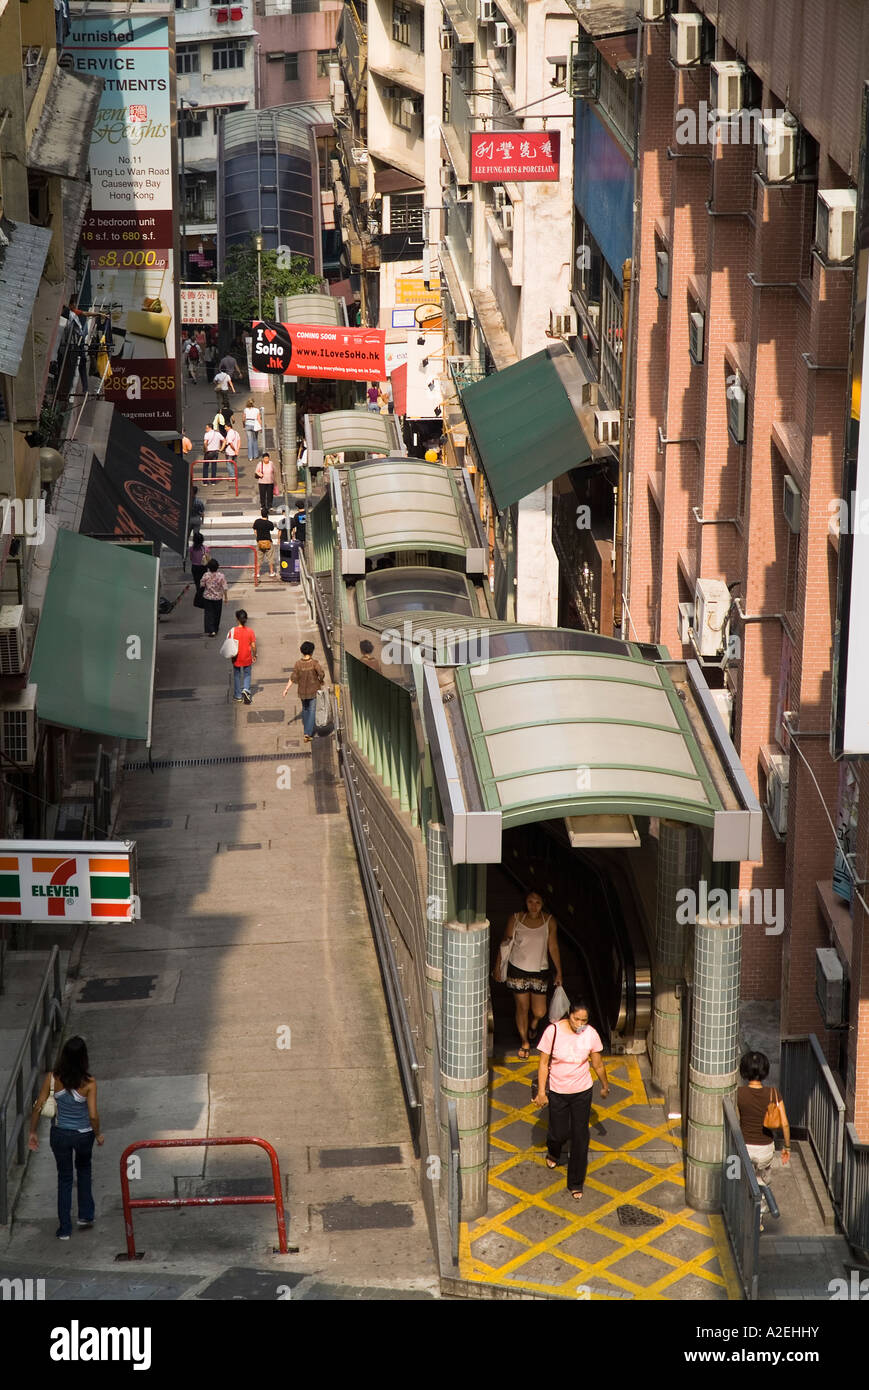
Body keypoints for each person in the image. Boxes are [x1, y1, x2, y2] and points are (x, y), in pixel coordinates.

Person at [28, 1036, 104, 1239]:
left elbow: (38, 1106)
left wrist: (33, 1132)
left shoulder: (53, 1078)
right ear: (84, 1058)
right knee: (84, 1170)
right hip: (83, 1135)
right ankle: (85, 1215)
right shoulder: (89, 1083)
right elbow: (93, 1115)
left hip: (60, 1134)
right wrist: (98, 1135)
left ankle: (64, 1229)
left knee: (64, 1178)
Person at [534, 1000, 608, 1199]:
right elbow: (543, 1064)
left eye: (584, 1020)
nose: (580, 1024)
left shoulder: (591, 1034)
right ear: (569, 1015)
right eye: (577, 1019)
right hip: (558, 1091)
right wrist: (542, 1092)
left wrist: (604, 1085)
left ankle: (576, 1182)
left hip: (582, 1092)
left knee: (580, 1137)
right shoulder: (553, 1031)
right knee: (558, 1133)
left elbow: (598, 1064)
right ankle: (553, 1151)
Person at [495, 891, 563, 1058]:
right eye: (530, 901)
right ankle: (524, 1041)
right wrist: (498, 966)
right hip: (517, 969)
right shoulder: (516, 918)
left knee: (540, 1011)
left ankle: (534, 1024)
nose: (533, 905)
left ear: (543, 903)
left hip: (540, 970)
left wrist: (559, 971)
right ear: (525, 902)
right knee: (522, 1007)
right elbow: (505, 943)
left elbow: (553, 947)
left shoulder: (549, 921)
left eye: (537, 902)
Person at [736, 1051, 790, 1230]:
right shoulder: (773, 1093)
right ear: (765, 1071)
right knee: (763, 1180)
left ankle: (742, 1215)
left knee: (739, 1179)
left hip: (744, 1150)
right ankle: (758, 1217)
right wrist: (787, 1148)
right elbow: (785, 1124)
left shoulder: (739, 1093)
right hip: (765, 1150)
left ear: (744, 1071)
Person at [283, 641, 325, 743]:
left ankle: (306, 730)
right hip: (313, 691)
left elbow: (292, 678)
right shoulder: (315, 663)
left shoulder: (298, 664)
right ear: (312, 652)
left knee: (305, 710)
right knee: (312, 711)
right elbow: (321, 674)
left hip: (302, 692)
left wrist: (286, 689)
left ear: (302, 651)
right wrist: (320, 679)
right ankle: (307, 733)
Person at [229, 608, 256, 704]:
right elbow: (253, 645)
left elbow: (229, 643)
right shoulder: (250, 631)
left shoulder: (233, 631)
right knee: (247, 674)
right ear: (246, 619)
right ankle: (246, 689)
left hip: (236, 657)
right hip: (247, 656)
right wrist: (254, 655)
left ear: (237, 619)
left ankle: (238, 695)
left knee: (237, 675)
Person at [200, 556, 228, 636]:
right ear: (217, 567)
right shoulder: (221, 576)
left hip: (207, 597)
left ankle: (211, 630)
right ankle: (215, 628)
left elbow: (201, 584)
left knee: (209, 614)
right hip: (218, 598)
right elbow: (225, 587)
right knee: (217, 614)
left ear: (209, 567)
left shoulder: (206, 575)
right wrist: (226, 597)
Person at [253, 508, 276, 578]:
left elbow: (255, 530)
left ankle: (257, 573)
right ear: (267, 514)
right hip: (268, 542)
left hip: (260, 542)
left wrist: (258, 537)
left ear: (261, 514)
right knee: (270, 558)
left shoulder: (257, 521)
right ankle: (271, 572)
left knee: (259, 558)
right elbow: (272, 529)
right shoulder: (269, 523)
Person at [189, 531, 209, 596]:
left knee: (197, 582)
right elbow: (208, 559)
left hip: (195, 567)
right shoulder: (205, 548)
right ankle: (203, 594)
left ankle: (199, 594)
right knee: (204, 582)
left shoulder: (191, 549)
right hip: (203, 567)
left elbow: (191, 558)